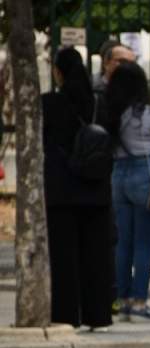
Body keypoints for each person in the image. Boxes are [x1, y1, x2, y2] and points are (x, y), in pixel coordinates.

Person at [42, 46, 114, 332]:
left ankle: (65, 314)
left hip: (61, 189)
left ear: (58, 72)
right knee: (97, 255)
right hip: (96, 188)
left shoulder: (48, 104)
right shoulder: (99, 103)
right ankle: (98, 315)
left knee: (64, 257)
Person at [106, 61, 150, 322]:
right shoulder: (146, 112)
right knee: (145, 244)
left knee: (123, 243)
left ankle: (121, 299)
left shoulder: (111, 114)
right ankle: (139, 302)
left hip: (118, 176)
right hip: (147, 175)